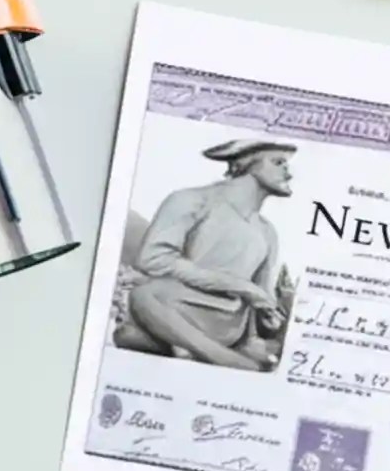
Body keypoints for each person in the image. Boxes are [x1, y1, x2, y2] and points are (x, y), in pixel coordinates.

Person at [112, 139, 296, 371]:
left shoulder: (268, 232)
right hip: (177, 308)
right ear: (246, 163)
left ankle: (202, 352)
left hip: (229, 325)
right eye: (278, 162)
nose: (288, 174)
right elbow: (152, 259)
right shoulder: (190, 200)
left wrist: (269, 318)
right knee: (143, 298)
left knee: (134, 329)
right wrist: (241, 286)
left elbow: (262, 297)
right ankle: (224, 359)